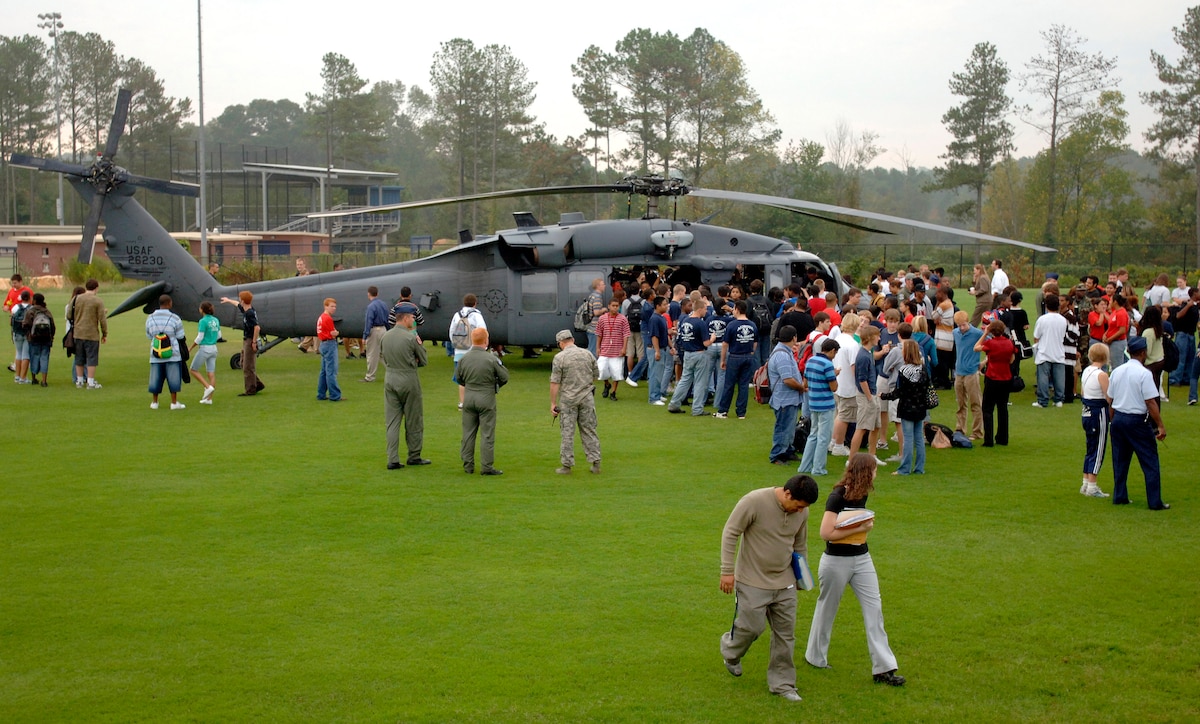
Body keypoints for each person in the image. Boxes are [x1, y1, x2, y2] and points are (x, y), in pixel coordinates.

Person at [805, 454, 905, 687]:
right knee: (827, 609)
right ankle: (815, 657)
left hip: (862, 559)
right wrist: (860, 527)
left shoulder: (863, 493)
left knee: (874, 609)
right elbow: (826, 533)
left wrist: (861, 528)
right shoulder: (837, 496)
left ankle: (884, 668)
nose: (876, 473)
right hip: (836, 562)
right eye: (873, 469)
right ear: (864, 472)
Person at [719, 474, 819, 703]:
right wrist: (727, 571)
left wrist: (801, 576)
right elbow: (731, 532)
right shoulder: (754, 501)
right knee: (751, 628)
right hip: (752, 580)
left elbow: (800, 544)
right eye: (798, 505)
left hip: (785, 582)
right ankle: (731, 653)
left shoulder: (802, 512)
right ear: (787, 493)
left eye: (804, 508)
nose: (800, 511)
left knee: (785, 634)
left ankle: (783, 684)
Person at [1107, 336, 1169, 510]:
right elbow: (1150, 402)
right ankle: (1154, 501)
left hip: (1119, 418)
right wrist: (1160, 425)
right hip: (1136, 421)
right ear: (1143, 353)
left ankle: (1119, 495)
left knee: (1120, 460)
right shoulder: (1144, 374)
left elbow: (1110, 400)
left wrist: (1113, 422)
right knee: (1149, 460)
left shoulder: (1117, 371)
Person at [381, 302, 429, 470]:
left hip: (390, 377)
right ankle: (414, 455)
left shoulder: (385, 336)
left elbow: (384, 358)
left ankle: (392, 458)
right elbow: (423, 360)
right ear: (407, 318)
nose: (413, 321)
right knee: (413, 419)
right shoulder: (411, 337)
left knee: (392, 421)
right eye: (412, 318)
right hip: (408, 378)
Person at [458, 327, 509, 475]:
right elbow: (504, 377)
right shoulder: (491, 359)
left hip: (469, 397)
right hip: (486, 397)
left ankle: (468, 465)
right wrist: (495, 384)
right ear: (486, 340)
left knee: (468, 433)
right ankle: (486, 466)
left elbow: (459, 378)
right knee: (487, 434)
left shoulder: (463, 359)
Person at [549, 329, 601, 474]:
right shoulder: (587, 354)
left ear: (560, 342)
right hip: (586, 397)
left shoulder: (560, 358)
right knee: (589, 429)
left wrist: (553, 403)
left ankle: (567, 465)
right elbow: (596, 375)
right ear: (572, 340)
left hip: (568, 399)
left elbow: (555, 382)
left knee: (567, 432)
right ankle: (595, 462)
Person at [885, 340, 929, 476]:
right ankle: (919, 468)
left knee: (908, 439)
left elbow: (899, 391)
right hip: (920, 407)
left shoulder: (903, 370)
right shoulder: (922, 369)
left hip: (907, 407)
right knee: (919, 439)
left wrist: (884, 396)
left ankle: (904, 469)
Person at [798, 338, 840, 476]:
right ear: (832, 351)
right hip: (826, 404)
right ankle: (818, 468)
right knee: (824, 437)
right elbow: (834, 387)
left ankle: (804, 466)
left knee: (813, 435)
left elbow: (805, 384)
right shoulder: (828, 364)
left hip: (813, 403)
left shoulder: (810, 360)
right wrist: (835, 374)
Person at [667, 297, 714, 415]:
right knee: (700, 382)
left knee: (684, 380)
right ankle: (697, 409)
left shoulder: (685, 321)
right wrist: (713, 338)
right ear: (700, 309)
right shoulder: (701, 323)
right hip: (699, 353)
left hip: (687, 353)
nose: (706, 311)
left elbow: (680, 338)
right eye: (705, 309)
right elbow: (706, 343)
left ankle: (674, 404)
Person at [715, 300, 758, 419]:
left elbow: (725, 344)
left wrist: (723, 360)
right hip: (748, 356)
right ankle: (741, 412)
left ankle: (723, 410)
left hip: (735, 356)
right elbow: (755, 342)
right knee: (743, 385)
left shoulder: (732, 325)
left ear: (737, 309)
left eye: (733, 309)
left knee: (729, 385)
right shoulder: (752, 325)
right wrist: (751, 352)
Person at [974, 320, 1015, 447]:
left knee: (987, 409)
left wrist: (984, 333)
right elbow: (1012, 360)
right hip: (1006, 377)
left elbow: (976, 348)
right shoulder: (1009, 343)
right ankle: (1003, 438)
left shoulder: (990, 343)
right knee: (1003, 408)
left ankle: (988, 439)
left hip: (992, 377)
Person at [767, 326, 804, 464]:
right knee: (783, 428)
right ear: (794, 337)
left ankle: (788, 451)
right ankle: (777, 455)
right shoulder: (782, 355)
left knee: (788, 428)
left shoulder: (782, 351)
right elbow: (787, 379)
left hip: (787, 398)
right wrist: (802, 388)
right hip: (784, 399)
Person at [1079, 343, 1112, 498]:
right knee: (1098, 448)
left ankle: (1086, 483)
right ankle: (1092, 485)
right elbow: (1109, 397)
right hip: (1098, 412)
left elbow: (1083, 392)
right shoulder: (1102, 375)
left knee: (1090, 447)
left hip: (1086, 410)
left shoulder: (1087, 371)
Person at [145, 295, 187, 410]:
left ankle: (154, 402)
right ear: (169, 303)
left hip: (156, 352)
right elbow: (180, 336)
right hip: (173, 353)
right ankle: (174, 403)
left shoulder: (150, 318)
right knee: (173, 378)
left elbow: (148, 335)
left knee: (155, 378)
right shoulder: (175, 318)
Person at [220, 291, 265, 396]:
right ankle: (257, 384)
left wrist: (254, 342)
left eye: (240, 298)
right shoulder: (246, 309)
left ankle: (250, 389)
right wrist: (228, 300)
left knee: (248, 366)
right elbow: (237, 304)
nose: (239, 300)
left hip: (250, 340)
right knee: (242, 362)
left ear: (243, 300)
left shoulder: (249, 313)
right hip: (246, 340)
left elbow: (257, 327)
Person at [449, 294, 488, 409]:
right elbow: (482, 330)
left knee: (461, 380)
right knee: (475, 377)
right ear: (475, 303)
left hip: (459, 351)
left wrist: (456, 344)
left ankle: (462, 402)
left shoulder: (457, 315)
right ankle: (475, 402)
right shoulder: (476, 315)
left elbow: (451, 331)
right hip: (473, 351)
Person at [952, 311, 985, 439]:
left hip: (972, 372)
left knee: (975, 403)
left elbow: (991, 346)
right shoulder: (955, 333)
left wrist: (984, 362)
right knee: (960, 404)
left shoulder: (977, 334)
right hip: (959, 372)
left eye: (964, 325)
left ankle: (977, 432)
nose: (961, 328)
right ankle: (960, 429)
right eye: (959, 325)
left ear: (968, 322)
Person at [1032, 295, 1068, 408]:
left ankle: (1043, 400)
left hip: (1044, 351)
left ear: (1046, 306)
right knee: (1059, 377)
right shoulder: (1063, 320)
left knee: (1043, 377)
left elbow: (1036, 336)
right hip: (1059, 351)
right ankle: (1059, 399)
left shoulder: (1042, 319)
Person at [72, 279, 108, 389]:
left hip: (78, 333)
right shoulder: (98, 301)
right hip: (92, 334)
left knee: (79, 357)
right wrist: (104, 333)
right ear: (96, 288)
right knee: (91, 358)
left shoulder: (76, 299)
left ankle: (79, 381)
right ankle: (90, 382)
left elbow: (69, 314)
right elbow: (102, 319)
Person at [595, 299, 632, 401]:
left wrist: (624, 348)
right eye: (613, 305)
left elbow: (626, 334)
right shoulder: (602, 319)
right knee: (601, 370)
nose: (615, 308)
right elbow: (599, 334)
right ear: (609, 306)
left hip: (617, 350)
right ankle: (607, 384)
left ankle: (613, 392)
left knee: (616, 372)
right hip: (605, 349)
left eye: (617, 306)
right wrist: (598, 347)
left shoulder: (623, 319)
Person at [188, 301, 220, 404]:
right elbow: (219, 335)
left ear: (202, 310)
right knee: (211, 373)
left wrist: (191, 347)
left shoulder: (203, 321)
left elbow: (200, 337)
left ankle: (207, 387)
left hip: (205, 348)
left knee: (193, 369)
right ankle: (209, 399)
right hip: (214, 348)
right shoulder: (216, 320)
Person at [22, 292, 55, 387]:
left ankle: (33, 378)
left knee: (34, 357)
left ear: (35, 301)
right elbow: (53, 326)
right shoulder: (47, 312)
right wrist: (51, 336)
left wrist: (29, 334)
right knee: (44, 358)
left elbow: (25, 324)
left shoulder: (31, 311)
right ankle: (44, 381)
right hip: (46, 339)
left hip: (34, 338)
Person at [315, 298, 343, 402]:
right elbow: (333, 333)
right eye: (331, 306)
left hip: (323, 343)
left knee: (324, 371)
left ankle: (321, 393)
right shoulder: (328, 318)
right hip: (329, 343)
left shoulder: (321, 317)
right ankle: (335, 395)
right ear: (326, 306)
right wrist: (337, 333)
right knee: (331, 371)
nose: (334, 308)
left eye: (335, 306)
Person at [4, 273, 33, 375]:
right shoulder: (11, 291)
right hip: (15, 322)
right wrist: (6, 308)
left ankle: (19, 367)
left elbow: (32, 305)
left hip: (25, 323)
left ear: (20, 281)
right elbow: (6, 304)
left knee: (22, 346)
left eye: (15, 283)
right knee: (19, 346)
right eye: (12, 283)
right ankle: (19, 367)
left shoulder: (28, 291)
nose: (13, 285)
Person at [361, 286, 389, 383]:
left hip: (375, 330)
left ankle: (370, 376)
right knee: (383, 353)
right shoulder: (383, 304)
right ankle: (392, 371)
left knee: (372, 354)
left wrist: (365, 335)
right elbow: (387, 319)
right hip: (383, 329)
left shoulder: (371, 306)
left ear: (369, 294)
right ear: (377, 293)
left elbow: (369, 321)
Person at [10, 289, 31, 384]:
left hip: (17, 333)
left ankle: (17, 376)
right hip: (27, 334)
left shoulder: (15, 307)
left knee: (18, 354)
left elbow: (11, 321)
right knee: (26, 355)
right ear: (30, 298)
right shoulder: (32, 308)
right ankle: (23, 378)